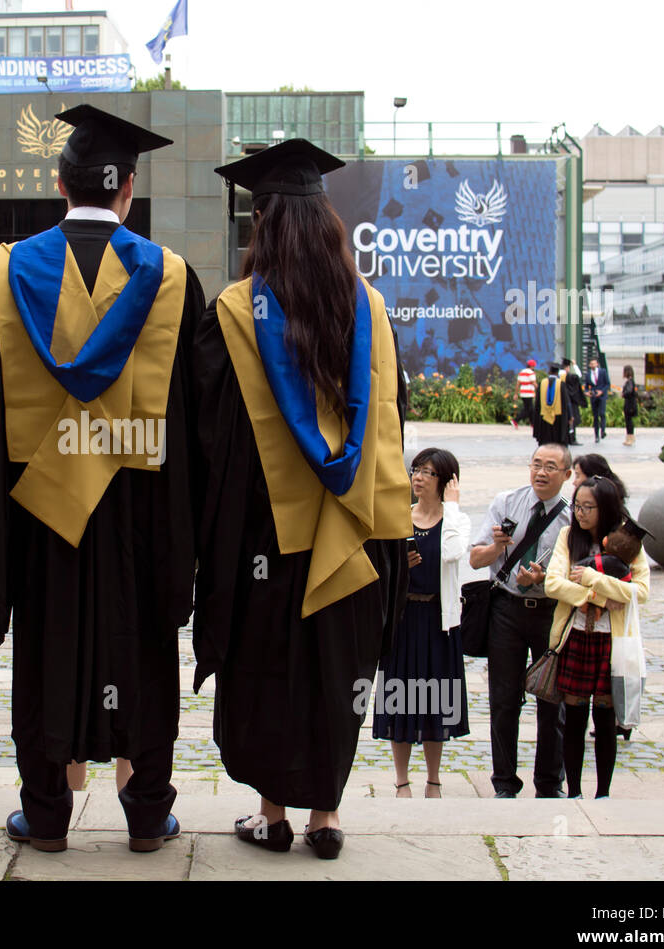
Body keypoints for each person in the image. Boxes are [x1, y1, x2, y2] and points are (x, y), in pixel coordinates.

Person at [0, 105, 205, 854]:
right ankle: (145, 813)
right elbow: (192, 427)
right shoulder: (169, 276)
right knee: (143, 655)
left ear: (58, 182)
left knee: (45, 649)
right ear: (129, 190)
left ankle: (45, 815)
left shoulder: (4, 272)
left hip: (38, 507)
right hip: (141, 511)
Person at [193, 139, 410, 858]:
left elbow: (213, 440)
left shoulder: (233, 311)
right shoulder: (370, 309)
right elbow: (390, 422)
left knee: (268, 669)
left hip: (266, 538)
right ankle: (326, 815)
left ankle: (272, 811)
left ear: (263, 223)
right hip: (353, 531)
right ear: (327, 222)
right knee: (338, 669)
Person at [469, 444, 572, 798]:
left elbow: (578, 574)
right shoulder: (506, 503)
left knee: (551, 699)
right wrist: (498, 547)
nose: (541, 472)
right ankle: (504, 783)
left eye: (551, 467)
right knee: (504, 699)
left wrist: (545, 578)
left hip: (550, 613)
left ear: (567, 475)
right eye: (536, 465)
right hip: (507, 610)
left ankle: (548, 784)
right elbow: (476, 559)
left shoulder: (570, 517)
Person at [373, 448, 470, 800]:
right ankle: (401, 781)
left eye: (428, 472)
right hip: (403, 620)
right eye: (416, 470)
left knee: (434, 702)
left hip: (438, 623)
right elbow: (382, 568)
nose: (418, 477)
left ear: (445, 480)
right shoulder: (400, 517)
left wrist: (454, 507)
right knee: (399, 700)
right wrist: (403, 570)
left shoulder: (455, 520)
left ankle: (433, 780)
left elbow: (453, 552)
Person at [544, 478, 650, 799]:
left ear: (605, 508)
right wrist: (602, 596)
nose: (580, 513)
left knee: (606, 719)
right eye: (576, 506)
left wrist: (590, 577)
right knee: (574, 718)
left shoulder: (628, 542)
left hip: (612, 642)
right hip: (576, 636)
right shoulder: (567, 536)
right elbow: (553, 584)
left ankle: (603, 793)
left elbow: (640, 592)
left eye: (587, 507)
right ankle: (573, 791)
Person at [533, 364, 569, 447]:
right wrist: (569, 416)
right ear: (558, 373)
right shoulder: (561, 384)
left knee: (545, 441)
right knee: (557, 441)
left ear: (549, 372)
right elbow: (566, 402)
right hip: (558, 416)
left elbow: (537, 403)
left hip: (544, 416)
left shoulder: (542, 383)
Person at [583, 358, 611, 443]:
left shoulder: (603, 372)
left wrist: (602, 391)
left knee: (602, 413)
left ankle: (603, 431)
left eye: (594, 363)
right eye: (591, 364)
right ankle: (596, 436)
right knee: (595, 416)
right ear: (589, 365)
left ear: (597, 364)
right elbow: (587, 386)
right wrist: (587, 392)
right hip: (594, 396)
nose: (593, 365)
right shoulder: (588, 374)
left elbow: (607, 384)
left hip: (602, 396)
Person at [562, 359, 585, 445]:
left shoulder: (559, 377)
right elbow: (579, 376)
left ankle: (566, 438)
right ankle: (572, 438)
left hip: (562, 402)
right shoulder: (570, 377)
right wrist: (575, 365)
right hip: (571, 403)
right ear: (567, 367)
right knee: (573, 419)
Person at [516, 360, 538, 430]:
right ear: (531, 366)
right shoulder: (531, 373)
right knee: (528, 409)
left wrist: (516, 393)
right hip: (529, 393)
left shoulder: (521, 372)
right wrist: (539, 389)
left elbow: (518, 384)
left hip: (523, 392)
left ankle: (533, 424)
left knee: (531, 409)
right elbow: (534, 383)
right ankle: (516, 420)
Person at [621, 365, 639, 447]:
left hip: (630, 404)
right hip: (630, 403)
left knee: (629, 421)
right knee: (628, 421)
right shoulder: (630, 381)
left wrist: (623, 394)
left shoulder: (630, 382)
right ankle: (629, 437)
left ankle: (630, 437)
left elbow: (629, 391)